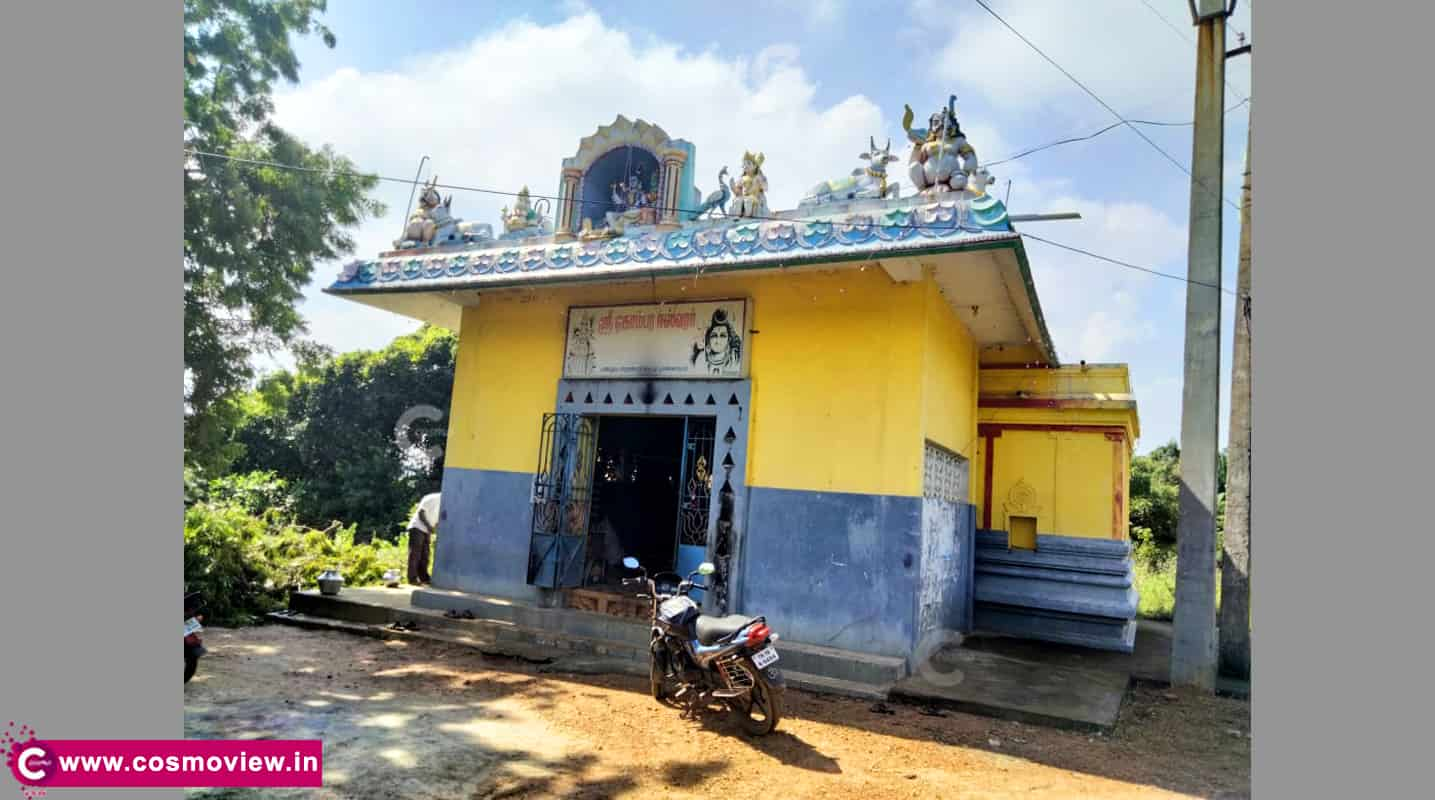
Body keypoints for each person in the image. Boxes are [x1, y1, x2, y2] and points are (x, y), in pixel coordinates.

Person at [406, 492, 441, 586]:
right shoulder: (432, 498)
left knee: (425, 555)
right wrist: (429, 526)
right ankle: (412, 578)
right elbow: (421, 513)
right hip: (417, 527)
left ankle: (424, 578)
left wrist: (434, 530)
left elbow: (437, 521)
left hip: (427, 530)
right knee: (415, 554)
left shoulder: (444, 504)